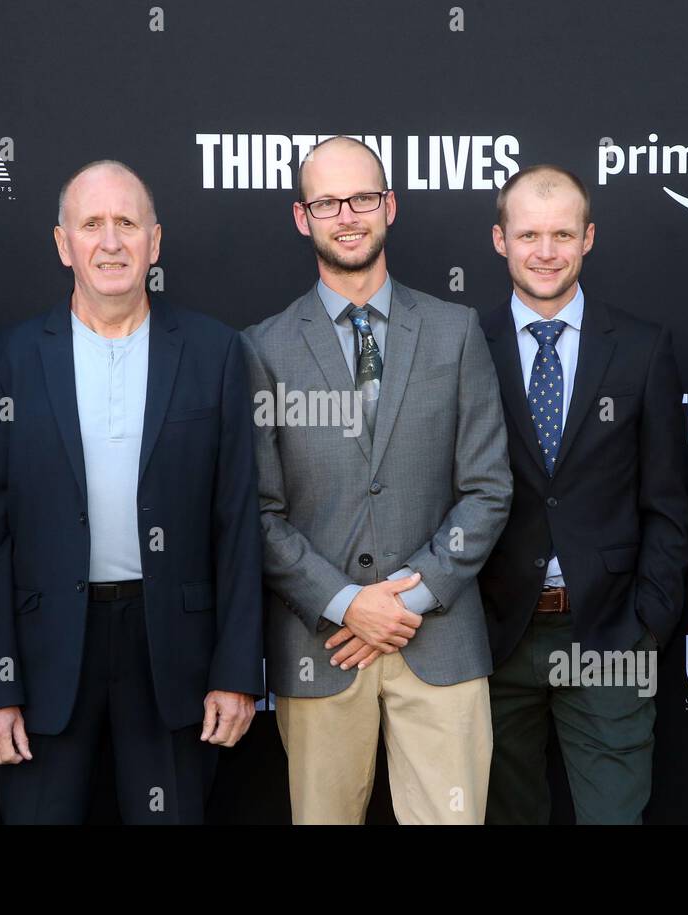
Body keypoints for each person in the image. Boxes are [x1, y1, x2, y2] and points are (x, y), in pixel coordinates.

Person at [0, 160, 264, 824]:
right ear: (63, 243)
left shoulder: (214, 353)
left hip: (173, 655)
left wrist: (237, 670)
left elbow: (237, 521)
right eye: (91, 224)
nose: (111, 241)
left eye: (126, 223)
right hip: (45, 657)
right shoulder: (8, 359)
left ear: (155, 240)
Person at [243, 136, 512, 824]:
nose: (348, 215)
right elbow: (260, 514)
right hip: (320, 650)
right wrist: (344, 602)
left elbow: (487, 489)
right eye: (327, 202)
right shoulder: (262, 349)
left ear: (389, 205)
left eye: (363, 197)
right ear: (303, 217)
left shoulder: (455, 333)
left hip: (442, 644)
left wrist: (406, 598)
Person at [479, 165, 688, 824]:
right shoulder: (459, 347)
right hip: (492, 635)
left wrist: (648, 624)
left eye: (563, 234)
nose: (546, 250)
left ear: (589, 237)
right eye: (530, 234)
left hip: (608, 632)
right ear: (499, 239)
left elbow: (667, 501)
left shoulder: (642, 348)